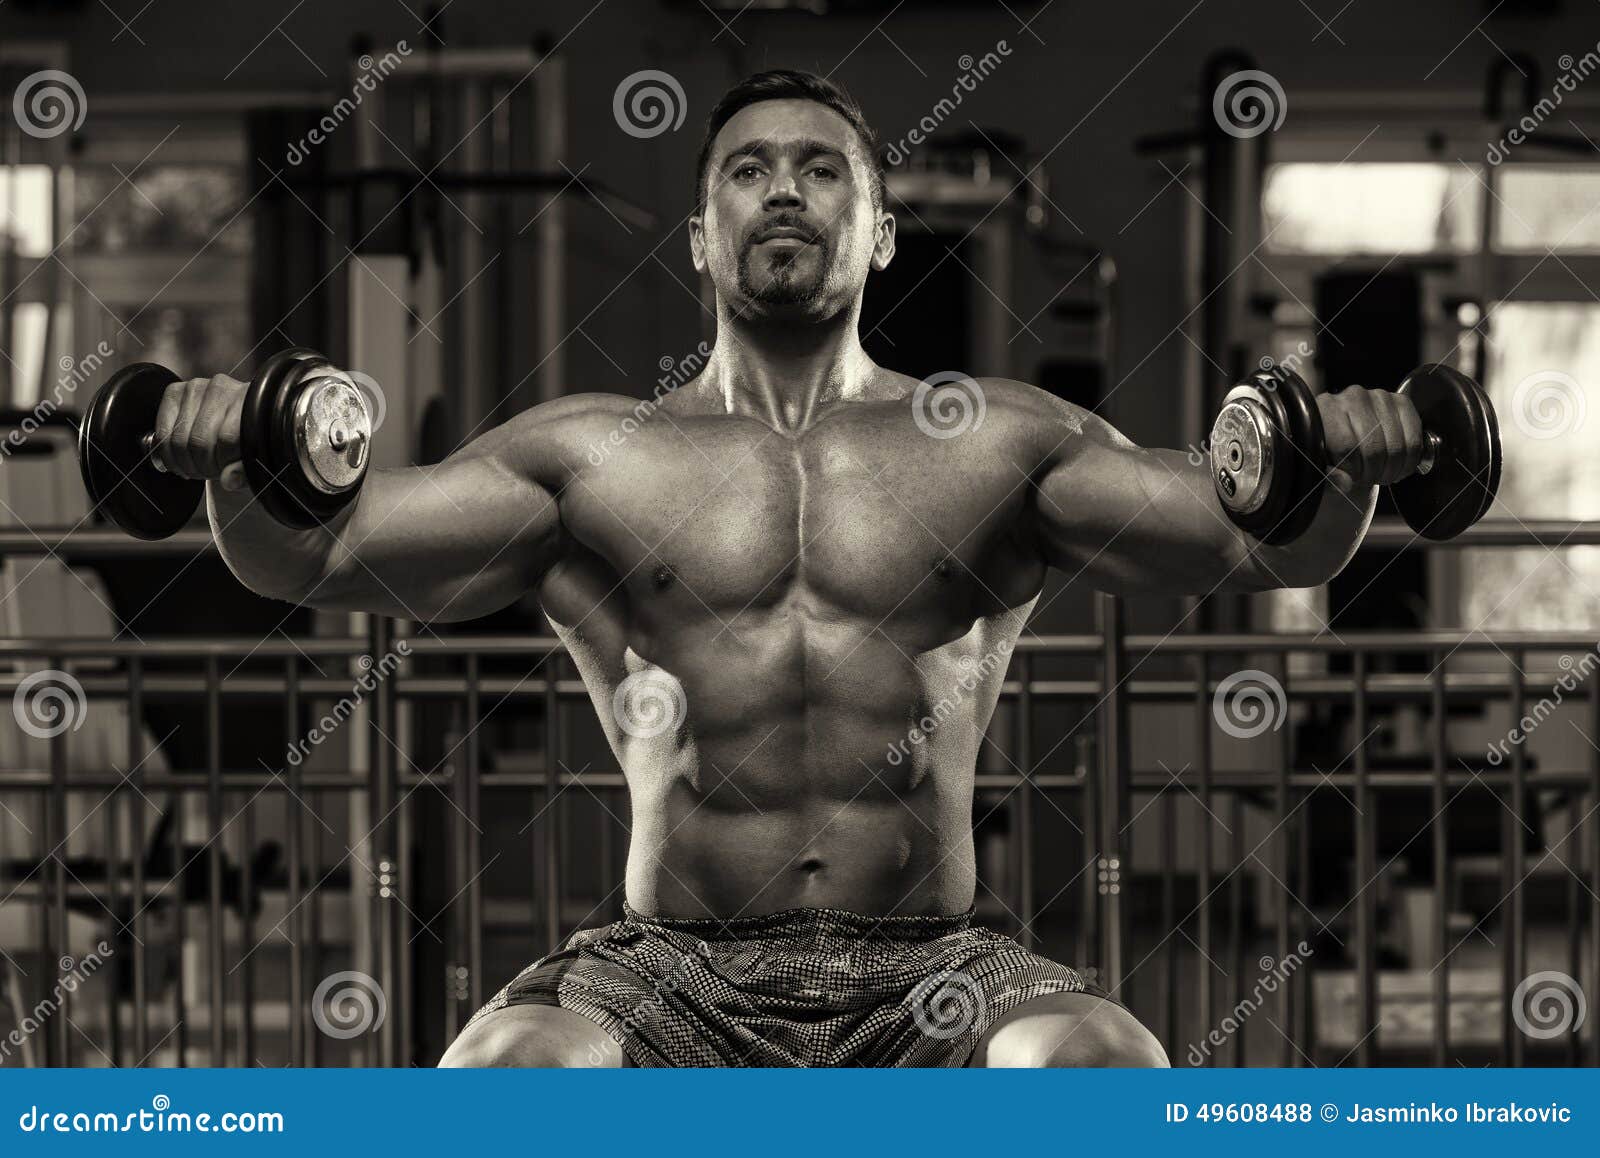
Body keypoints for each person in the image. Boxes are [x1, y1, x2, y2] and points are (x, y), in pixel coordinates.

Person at [159, 70, 1426, 1067]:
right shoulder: (590, 454)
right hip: (668, 970)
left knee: (1103, 1066)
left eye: (823, 171)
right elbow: (313, 554)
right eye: (748, 171)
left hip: (934, 964)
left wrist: (1345, 477)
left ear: (879, 232)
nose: (784, 192)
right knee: (499, 1077)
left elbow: (1252, 539)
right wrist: (230, 467)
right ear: (700, 240)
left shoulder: (1000, 441)